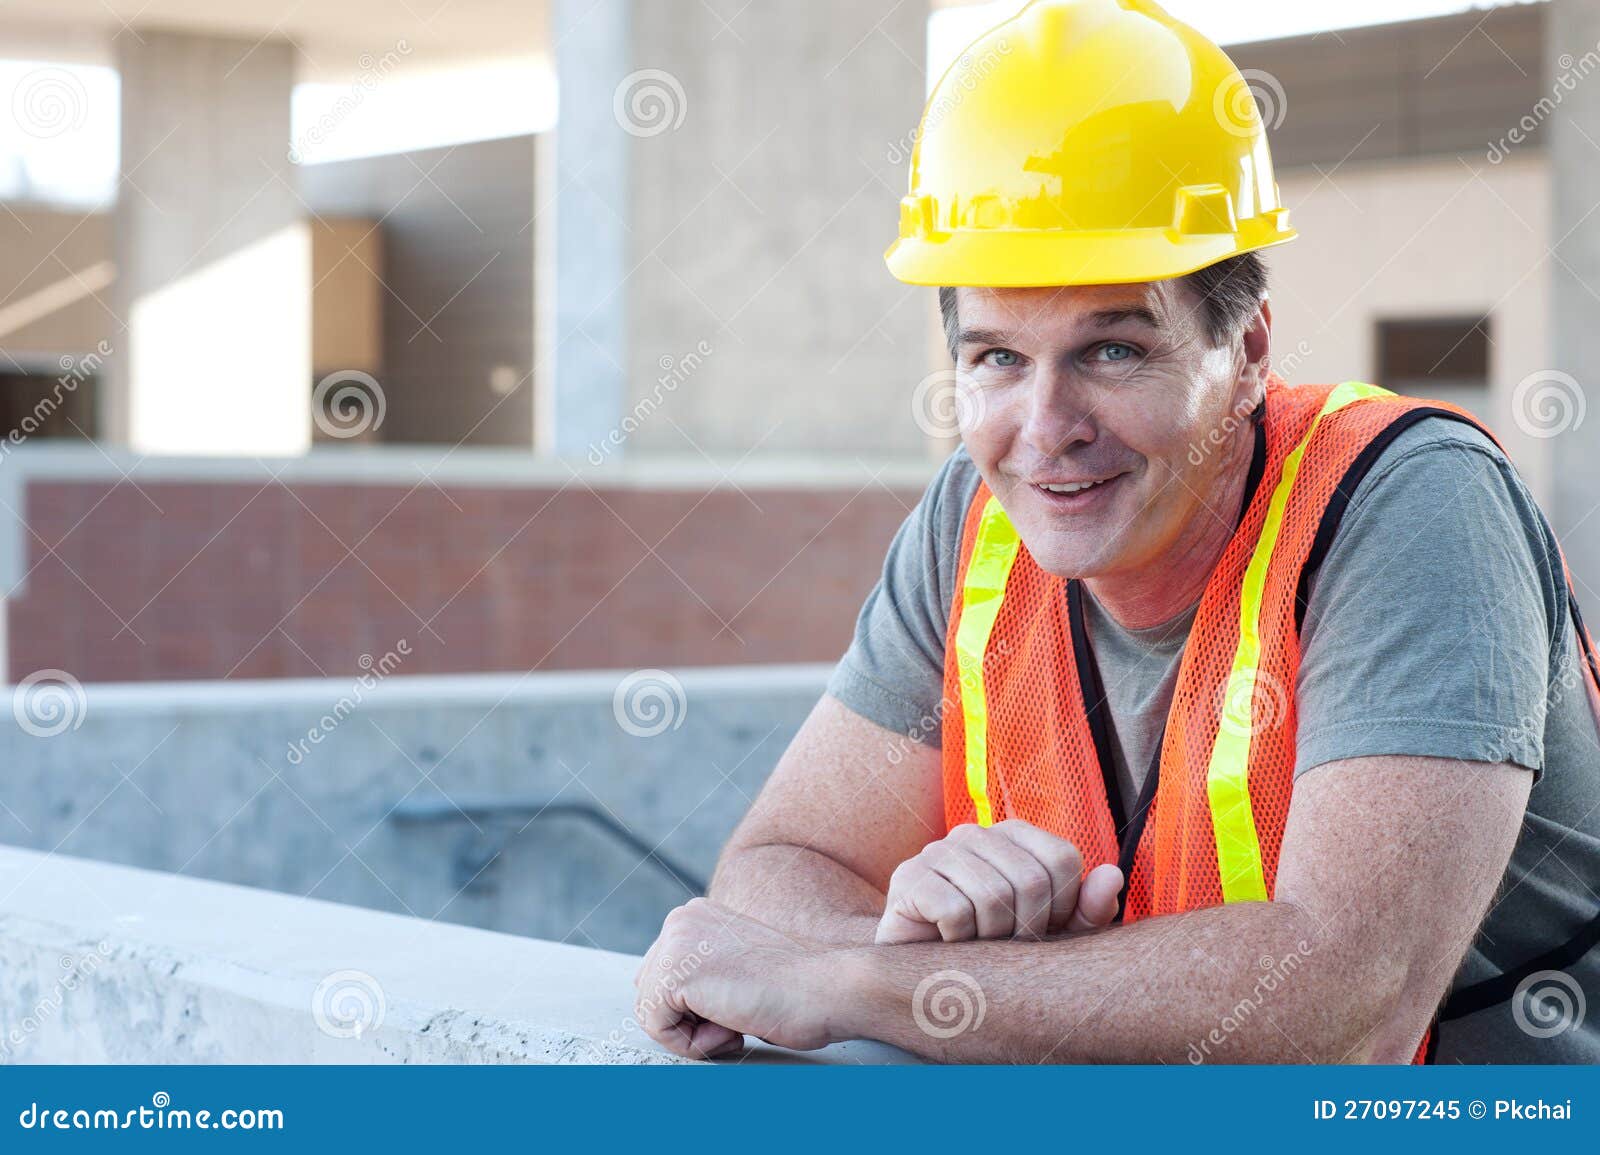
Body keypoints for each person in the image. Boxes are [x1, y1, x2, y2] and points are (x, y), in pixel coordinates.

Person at [634, 0, 1600, 1063]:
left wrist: (880, 979)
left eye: (1112, 352)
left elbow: (1341, 999)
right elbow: (777, 866)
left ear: (1244, 352)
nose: (1047, 433)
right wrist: (920, 955)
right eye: (997, 357)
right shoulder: (975, 521)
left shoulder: (1408, 502)